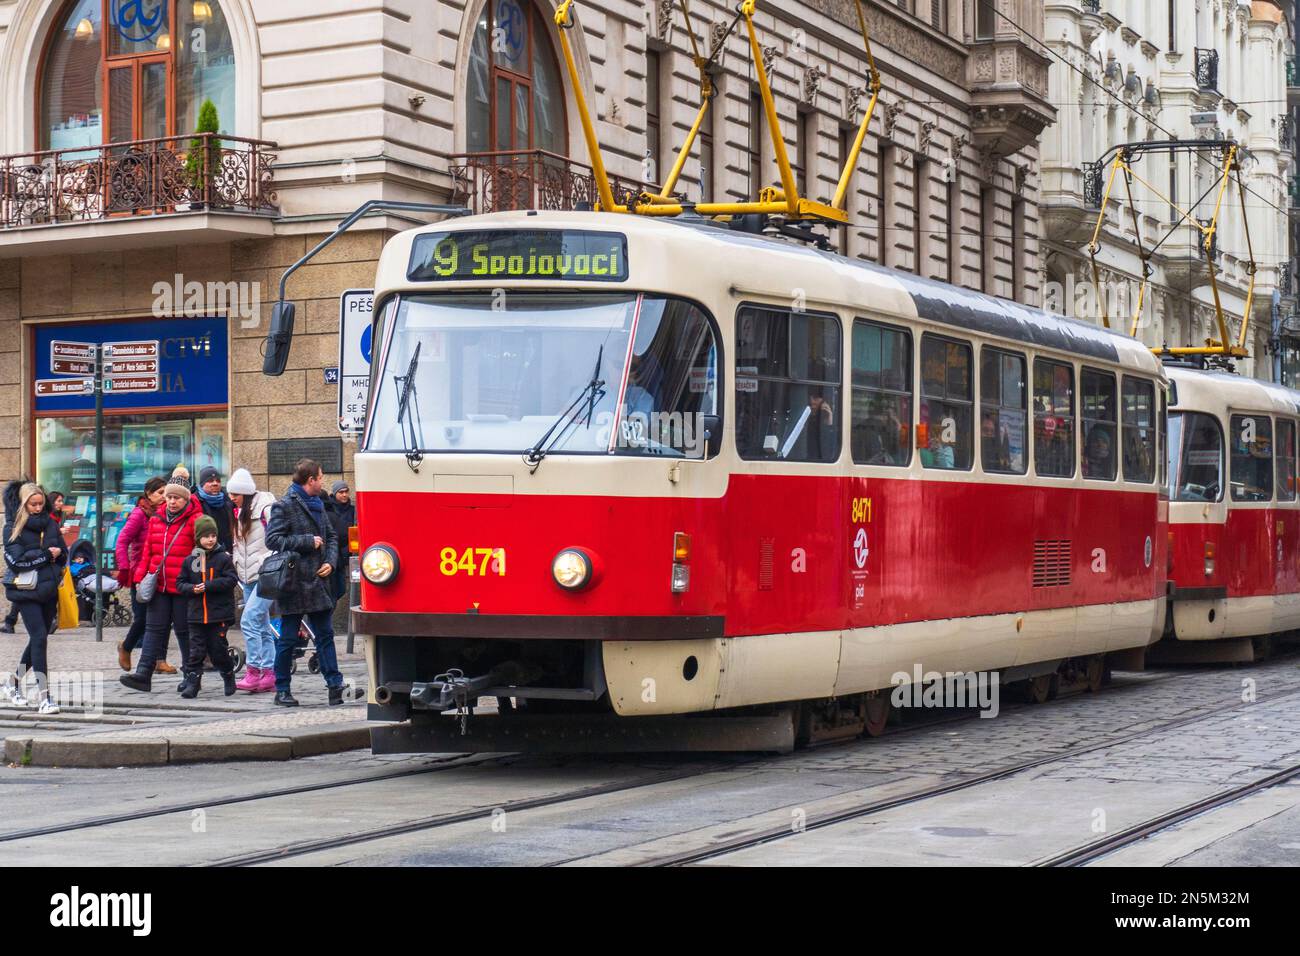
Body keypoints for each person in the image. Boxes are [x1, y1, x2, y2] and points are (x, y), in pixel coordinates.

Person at [265, 459, 348, 707]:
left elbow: (331, 537)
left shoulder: (318, 504)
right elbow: (273, 540)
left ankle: (335, 685)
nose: (322, 481)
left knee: (325, 635)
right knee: (288, 638)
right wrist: (306, 541)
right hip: (294, 582)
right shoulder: (284, 505)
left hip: (319, 579)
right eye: (320, 477)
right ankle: (282, 689)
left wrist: (331, 563)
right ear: (310, 480)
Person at [119, 482, 203, 693]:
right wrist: (140, 576)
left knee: (185, 632)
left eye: (177, 498)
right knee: (153, 630)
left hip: (183, 587)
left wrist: (194, 579)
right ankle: (143, 674)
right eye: (169, 497)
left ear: (186, 500)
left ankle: (191, 676)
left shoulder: (195, 520)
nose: (172, 502)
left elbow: (200, 553)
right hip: (159, 585)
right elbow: (148, 551)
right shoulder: (156, 519)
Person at [1, 482, 66, 714]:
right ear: (23, 504)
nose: (38, 508)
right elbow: (16, 562)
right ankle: (44, 698)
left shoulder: (50, 524)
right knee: (39, 637)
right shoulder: (12, 527)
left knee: (39, 639)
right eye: (33, 504)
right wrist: (46, 555)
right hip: (25, 592)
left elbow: (62, 553)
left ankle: (12, 684)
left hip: (48, 590)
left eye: (41, 504)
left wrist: (56, 559)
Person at [175, 516, 239, 699]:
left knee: (217, 650)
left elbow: (231, 580)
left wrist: (209, 585)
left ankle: (228, 674)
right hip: (196, 615)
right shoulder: (192, 559)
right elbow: (181, 583)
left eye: (213, 535)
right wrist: (191, 588)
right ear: (198, 539)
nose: (210, 539)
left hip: (218, 615)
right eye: (206, 536)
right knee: (196, 652)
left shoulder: (223, 558)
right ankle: (193, 682)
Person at [228, 468, 278, 693]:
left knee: (248, 621)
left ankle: (254, 670)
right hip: (248, 575)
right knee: (261, 625)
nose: (231, 498)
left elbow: (277, 538)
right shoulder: (241, 512)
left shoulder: (266, 508)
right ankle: (268, 673)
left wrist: (267, 560)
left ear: (245, 493)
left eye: (235, 494)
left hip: (265, 575)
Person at [113, 477, 170, 673]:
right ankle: (126, 647)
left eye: (166, 493)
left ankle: (159, 660)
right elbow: (121, 542)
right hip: (142, 573)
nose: (164, 497)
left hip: (161, 570)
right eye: (159, 493)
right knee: (143, 618)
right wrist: (125, 568)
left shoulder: (165, 513)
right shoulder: (139, 514)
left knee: (164, 617)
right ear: (148, 494)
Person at [323, 480, 355, 612]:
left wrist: (347, 551)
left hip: (343, 556)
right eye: (341, 492)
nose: (344, 495)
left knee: (340, 589)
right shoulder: (329, 509)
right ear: (335, 493)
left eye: (346, 492)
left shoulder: (353, 510)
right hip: (330, 556)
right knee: (332, 592)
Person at [194, 466, 235, 552]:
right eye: (210, 481)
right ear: (202, 484)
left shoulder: (229, 501)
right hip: (205, 553)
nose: (215, 483)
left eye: (218, 480)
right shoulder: (195, 502)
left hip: (227, 552)